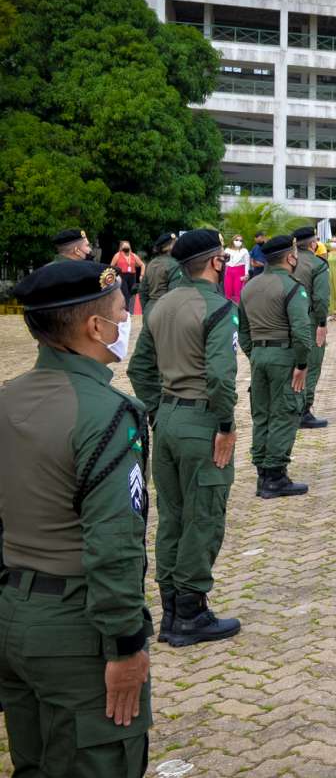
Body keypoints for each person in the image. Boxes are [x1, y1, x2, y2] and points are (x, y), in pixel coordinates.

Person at [0, 261, 154, 775]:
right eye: (119, 314)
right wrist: (127, 645)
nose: (123, 323)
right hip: (77, 629)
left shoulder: (8, 400)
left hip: (13, 616)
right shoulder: (109, 414)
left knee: (34, 763)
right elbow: (114, 544)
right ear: (95, 328)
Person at [125, 228, 242, 648]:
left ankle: (172, 609)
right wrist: (226, 425)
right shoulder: (217, 307)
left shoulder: (161, 306)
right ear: (215, 262)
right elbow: (219, 376)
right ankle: (191, 612)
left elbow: (139, 369)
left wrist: (158, 409)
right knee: (204, 515)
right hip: (202, 421)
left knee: (172, 517)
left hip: (168, 418)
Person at [236, 234, 313, 498]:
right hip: (284, 357)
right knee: (285, 412)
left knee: (262, 414)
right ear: (291, 257)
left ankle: (262, 472)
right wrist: (302, 364)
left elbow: (243, 331)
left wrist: (255, 354)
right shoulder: (292, 287)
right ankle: (275, 476)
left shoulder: (250, 287)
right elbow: (302, 332)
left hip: (259, 355)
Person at [290, 227, 332, 428]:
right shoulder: (318, 264)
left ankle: (289, 408)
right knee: (311, 365)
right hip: (309, 320)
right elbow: (321, 299)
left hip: (286, 321)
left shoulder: (287, 263)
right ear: (313, 244)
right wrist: (322, 323)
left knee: (291, 364)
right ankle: (303, 410)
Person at [137, 233, 180, 317]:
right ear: (170, 246)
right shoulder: (174, 265)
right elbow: (174, 295)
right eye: (176, 243)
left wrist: (146, 309)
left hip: (150, 309)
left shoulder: (151, 263)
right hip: (165, 312)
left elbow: (142, 290)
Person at [111, 240, 144, 308]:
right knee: (125, 293)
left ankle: (126, 308)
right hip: (122, 276)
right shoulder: (117, 255)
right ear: (121, 247)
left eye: (127, 246)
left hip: (132, 276)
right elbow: (111, 266)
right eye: (124, 246)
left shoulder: (133, 255)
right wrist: (113, 276)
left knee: (131, 294)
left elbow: (142, 265)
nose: (126, 247)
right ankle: (127, 311)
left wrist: (141, 275)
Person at [223, 234, 250, 302]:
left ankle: (238, 308)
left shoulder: (244, 251)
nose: (239, 242)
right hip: (228, 271)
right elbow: (224, 262)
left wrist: (246, 274)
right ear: (233, 240)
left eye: (241, 240)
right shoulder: (227, 250)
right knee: (228, 290)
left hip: (240, 272)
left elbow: (247, 263)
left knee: (238, 291)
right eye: (237, 240)